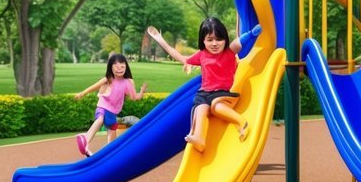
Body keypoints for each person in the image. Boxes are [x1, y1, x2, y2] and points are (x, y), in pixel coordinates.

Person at [147, 19, 252, 153]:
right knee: (200, 109)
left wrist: (251, 34)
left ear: (225, 39)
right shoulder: (202, 55)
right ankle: (199, 139)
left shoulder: (228, 52)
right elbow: (182, 58)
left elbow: (238, 43)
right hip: (204, 94)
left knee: (216, 106)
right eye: (209, 40)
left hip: (223, 94)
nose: (214, 43)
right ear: (203, 40)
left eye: (219, 39)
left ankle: (242, 123)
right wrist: (160, 40)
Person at [73, 53, 147, 157]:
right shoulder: (109, 79)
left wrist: (142, 92)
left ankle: (110, 154)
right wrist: (82, 93)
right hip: (103, 106)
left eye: (122, 66)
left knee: (112, 130)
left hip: (112, 112)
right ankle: (86, 139)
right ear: (111, 67)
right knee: (100, 119)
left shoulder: (128, 82)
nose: (119, 69)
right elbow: (94, 86)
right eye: (116, 66)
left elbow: (135, 97)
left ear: (126, 67)